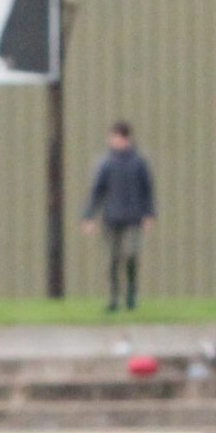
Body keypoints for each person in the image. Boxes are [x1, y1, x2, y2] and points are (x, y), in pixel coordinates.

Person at [82, 120, 155, 313]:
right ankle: (113, 298)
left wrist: (149, 214)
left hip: (133, 218)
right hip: (111, 218)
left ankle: (131, 294)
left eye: (117, 137)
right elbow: (97, 191)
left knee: (131, 254)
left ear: (126, 139)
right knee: (112, 260)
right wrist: (89, 216)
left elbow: (147, 189)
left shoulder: (139, 162)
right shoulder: (106, 163)